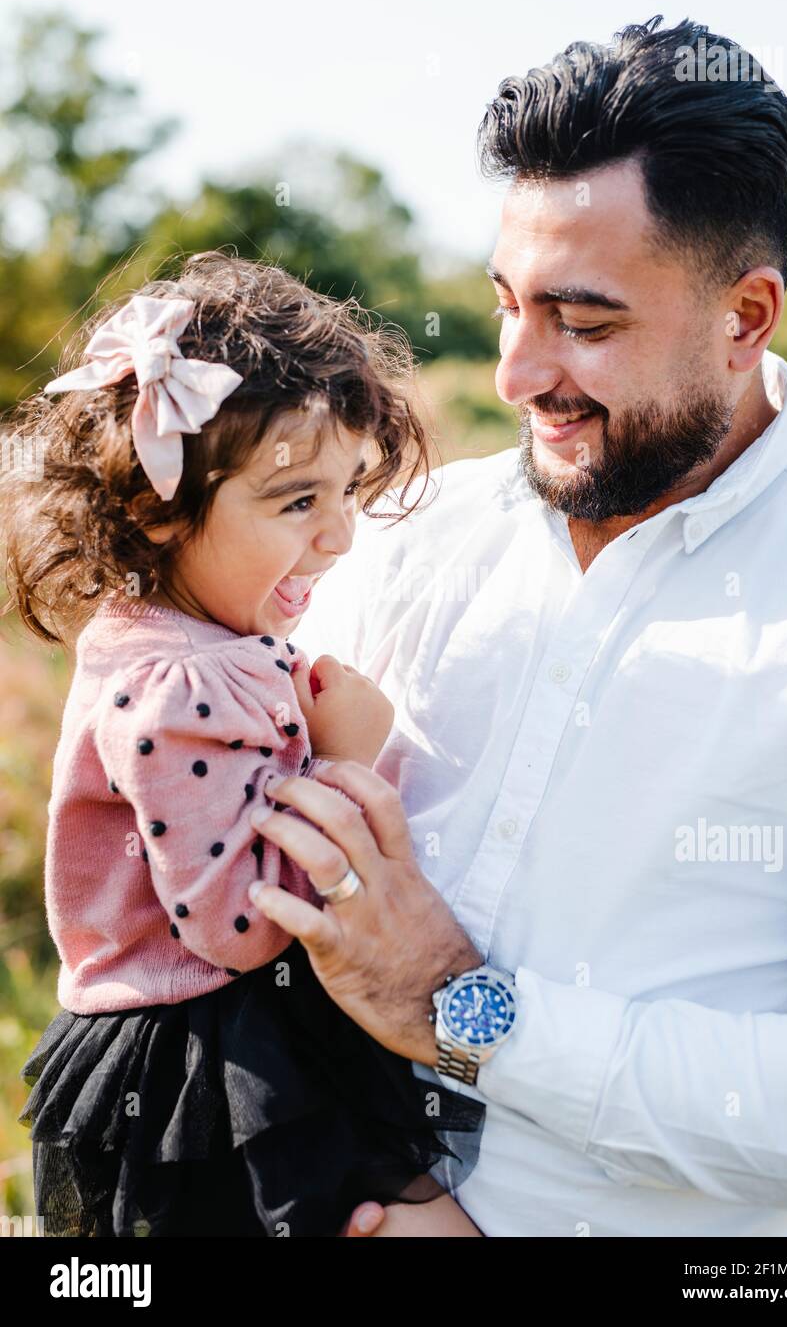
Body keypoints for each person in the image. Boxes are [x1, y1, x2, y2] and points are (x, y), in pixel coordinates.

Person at [243, 17, 787, 1238]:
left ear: (747, 316)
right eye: (505, 305)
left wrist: (462, 1009)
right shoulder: (400, 537)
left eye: (582, 321)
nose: (517, 374)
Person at [5, 250, 486, 1237]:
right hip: (204, 1063)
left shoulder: (198, 636)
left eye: (350, 488)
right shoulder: (177, 683)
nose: (342, 535)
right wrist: (343, 760)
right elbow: (235, 923)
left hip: (235, 1030)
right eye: (297, 500)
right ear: (156, 509)